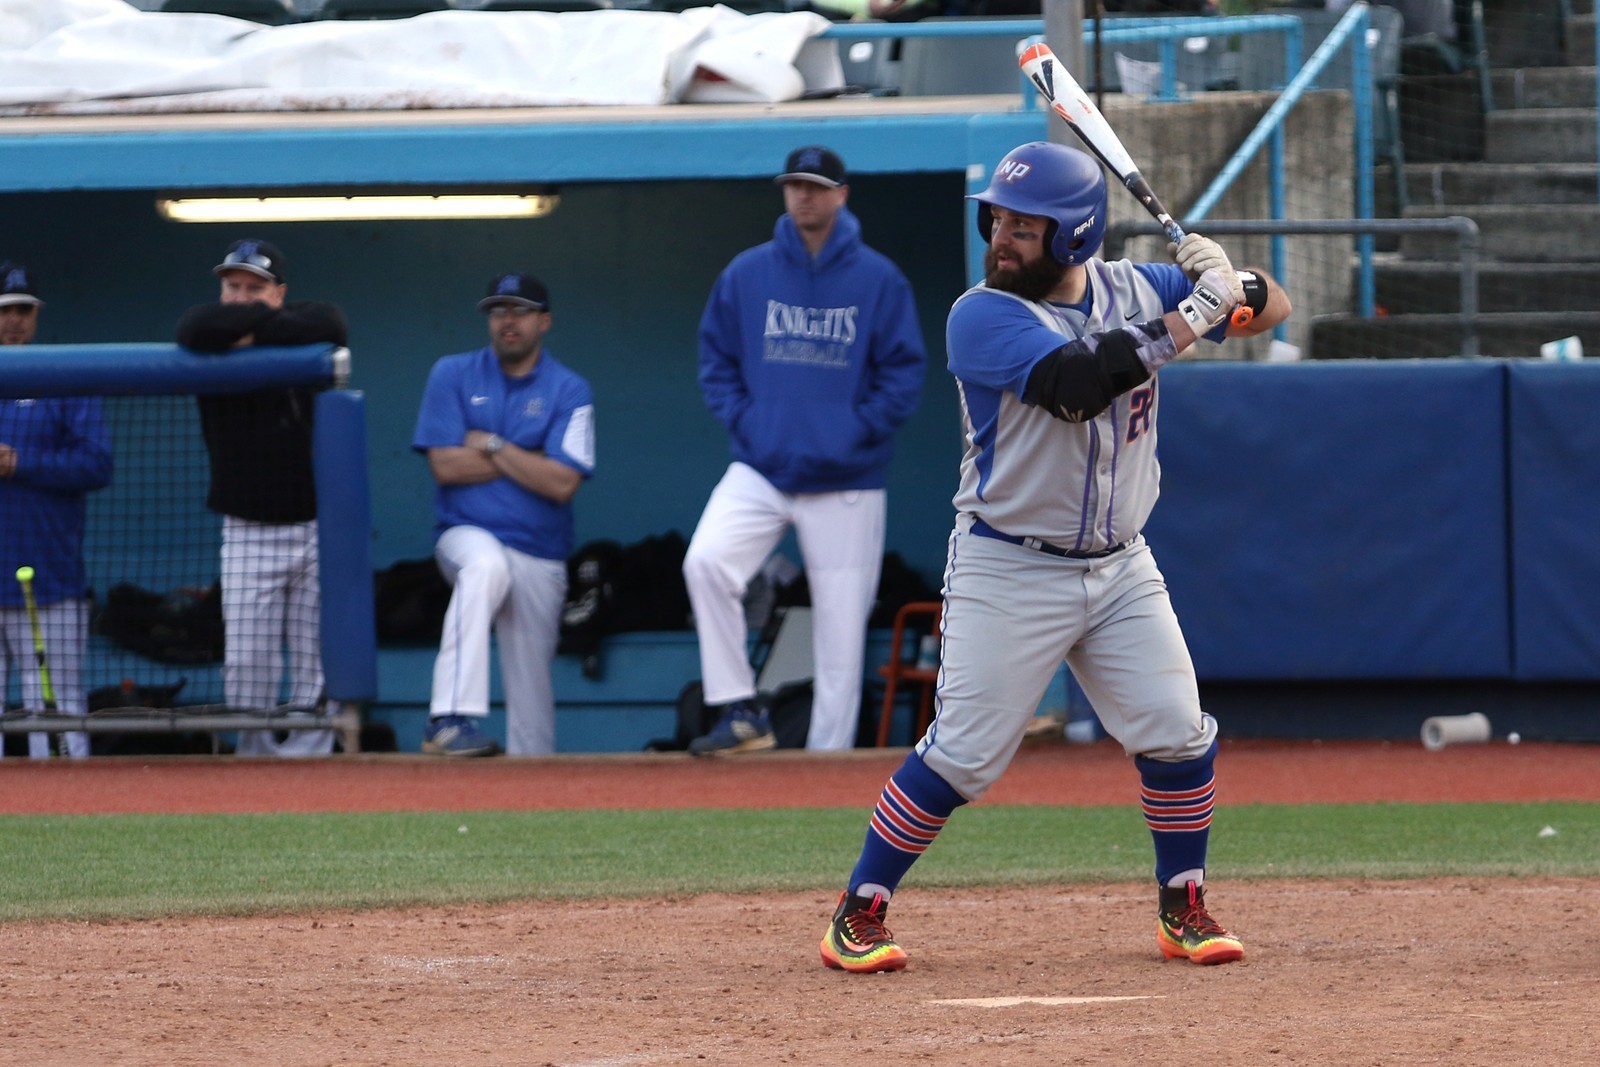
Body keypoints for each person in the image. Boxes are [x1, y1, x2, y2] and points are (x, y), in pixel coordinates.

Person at [817, 141, 1291, 973]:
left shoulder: (1141, 285)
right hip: (1011, 564)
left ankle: (1182, 902)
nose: (1001, 235)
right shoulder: (981, 315)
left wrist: (1233, 281)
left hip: (1120, 565)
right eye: (997, 217)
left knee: (1178, 732)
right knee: (963, 752)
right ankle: (859, 909)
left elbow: (1273, 305)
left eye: (1024, 224)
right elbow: (1078, 384)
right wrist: (1197, 313)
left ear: (1074, 235)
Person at [683, 145, 926, 755]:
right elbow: (716, 361)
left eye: (817, 186)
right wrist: (749, 424)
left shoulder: (878, 278)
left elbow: (903, 375)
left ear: (842, 194)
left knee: (841, 634)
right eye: (795, 186)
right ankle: (739, 708)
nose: (804, 196)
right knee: (705, 563)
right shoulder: (748, 272)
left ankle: (828, 764)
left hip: (847, 477)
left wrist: (853, 432)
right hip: (762, 466)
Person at [411, 274, 595, 757]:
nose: (507, 321)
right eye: (498, 311)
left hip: (541, 549)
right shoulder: (452, 373)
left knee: (532, 693)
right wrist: (529, 457)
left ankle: (529, 805)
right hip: (466, 533)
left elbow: (562, 482)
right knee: (485, 567)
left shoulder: (570, 389)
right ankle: (449, 717)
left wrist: (491, 444)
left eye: (520, 311)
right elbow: (445, 466)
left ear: (544, 321)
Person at [176, 238, 347, 757]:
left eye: (256, 288)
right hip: (248, 529)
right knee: (248, 660)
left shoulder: (302, 323)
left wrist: (253, 329)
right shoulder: (208, 330)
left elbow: (332, 322)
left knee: (316, 657)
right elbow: (194, 329)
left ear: (279, 292)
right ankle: (255, 763)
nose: (242, 296)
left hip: (316, 525)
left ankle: (312, 764)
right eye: (234, 287)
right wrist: (257, 325)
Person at [0, 262, 113, 759]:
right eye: (5, 310)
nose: (15, 321)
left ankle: (72, 816)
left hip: (49, 581)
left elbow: (96, 464)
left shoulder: (63, 378)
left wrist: (19, 462)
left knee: (59, 711)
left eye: (24, 310)